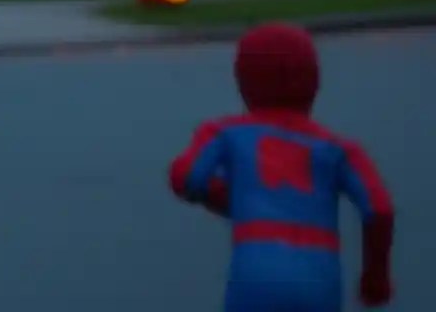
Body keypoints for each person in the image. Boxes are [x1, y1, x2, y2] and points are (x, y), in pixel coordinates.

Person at [168, 23, 393, 312]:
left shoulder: (226, 134)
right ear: (314, 81)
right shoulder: (338, 149)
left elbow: (188, 177)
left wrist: (232, 201)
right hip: (319, 278)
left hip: (255, 274)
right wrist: (376, 277)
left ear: (242, 80)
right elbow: (379, 209)